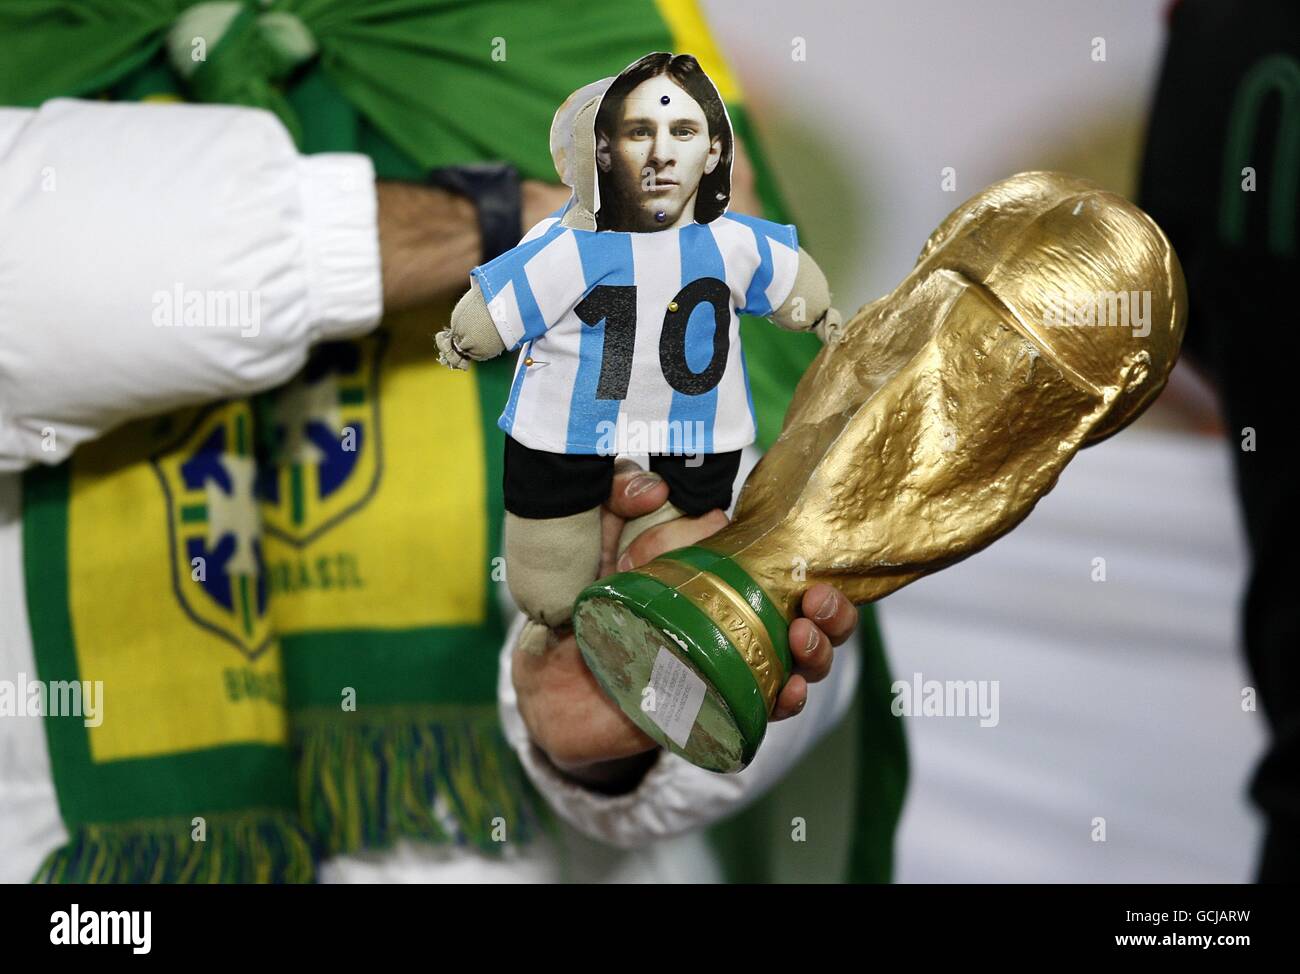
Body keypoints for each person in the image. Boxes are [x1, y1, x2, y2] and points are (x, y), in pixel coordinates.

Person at [0, 0, 906, 883]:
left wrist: (624, 718)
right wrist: (506, 221)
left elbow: (769, 522)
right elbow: (37, 289)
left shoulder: (590, 36)